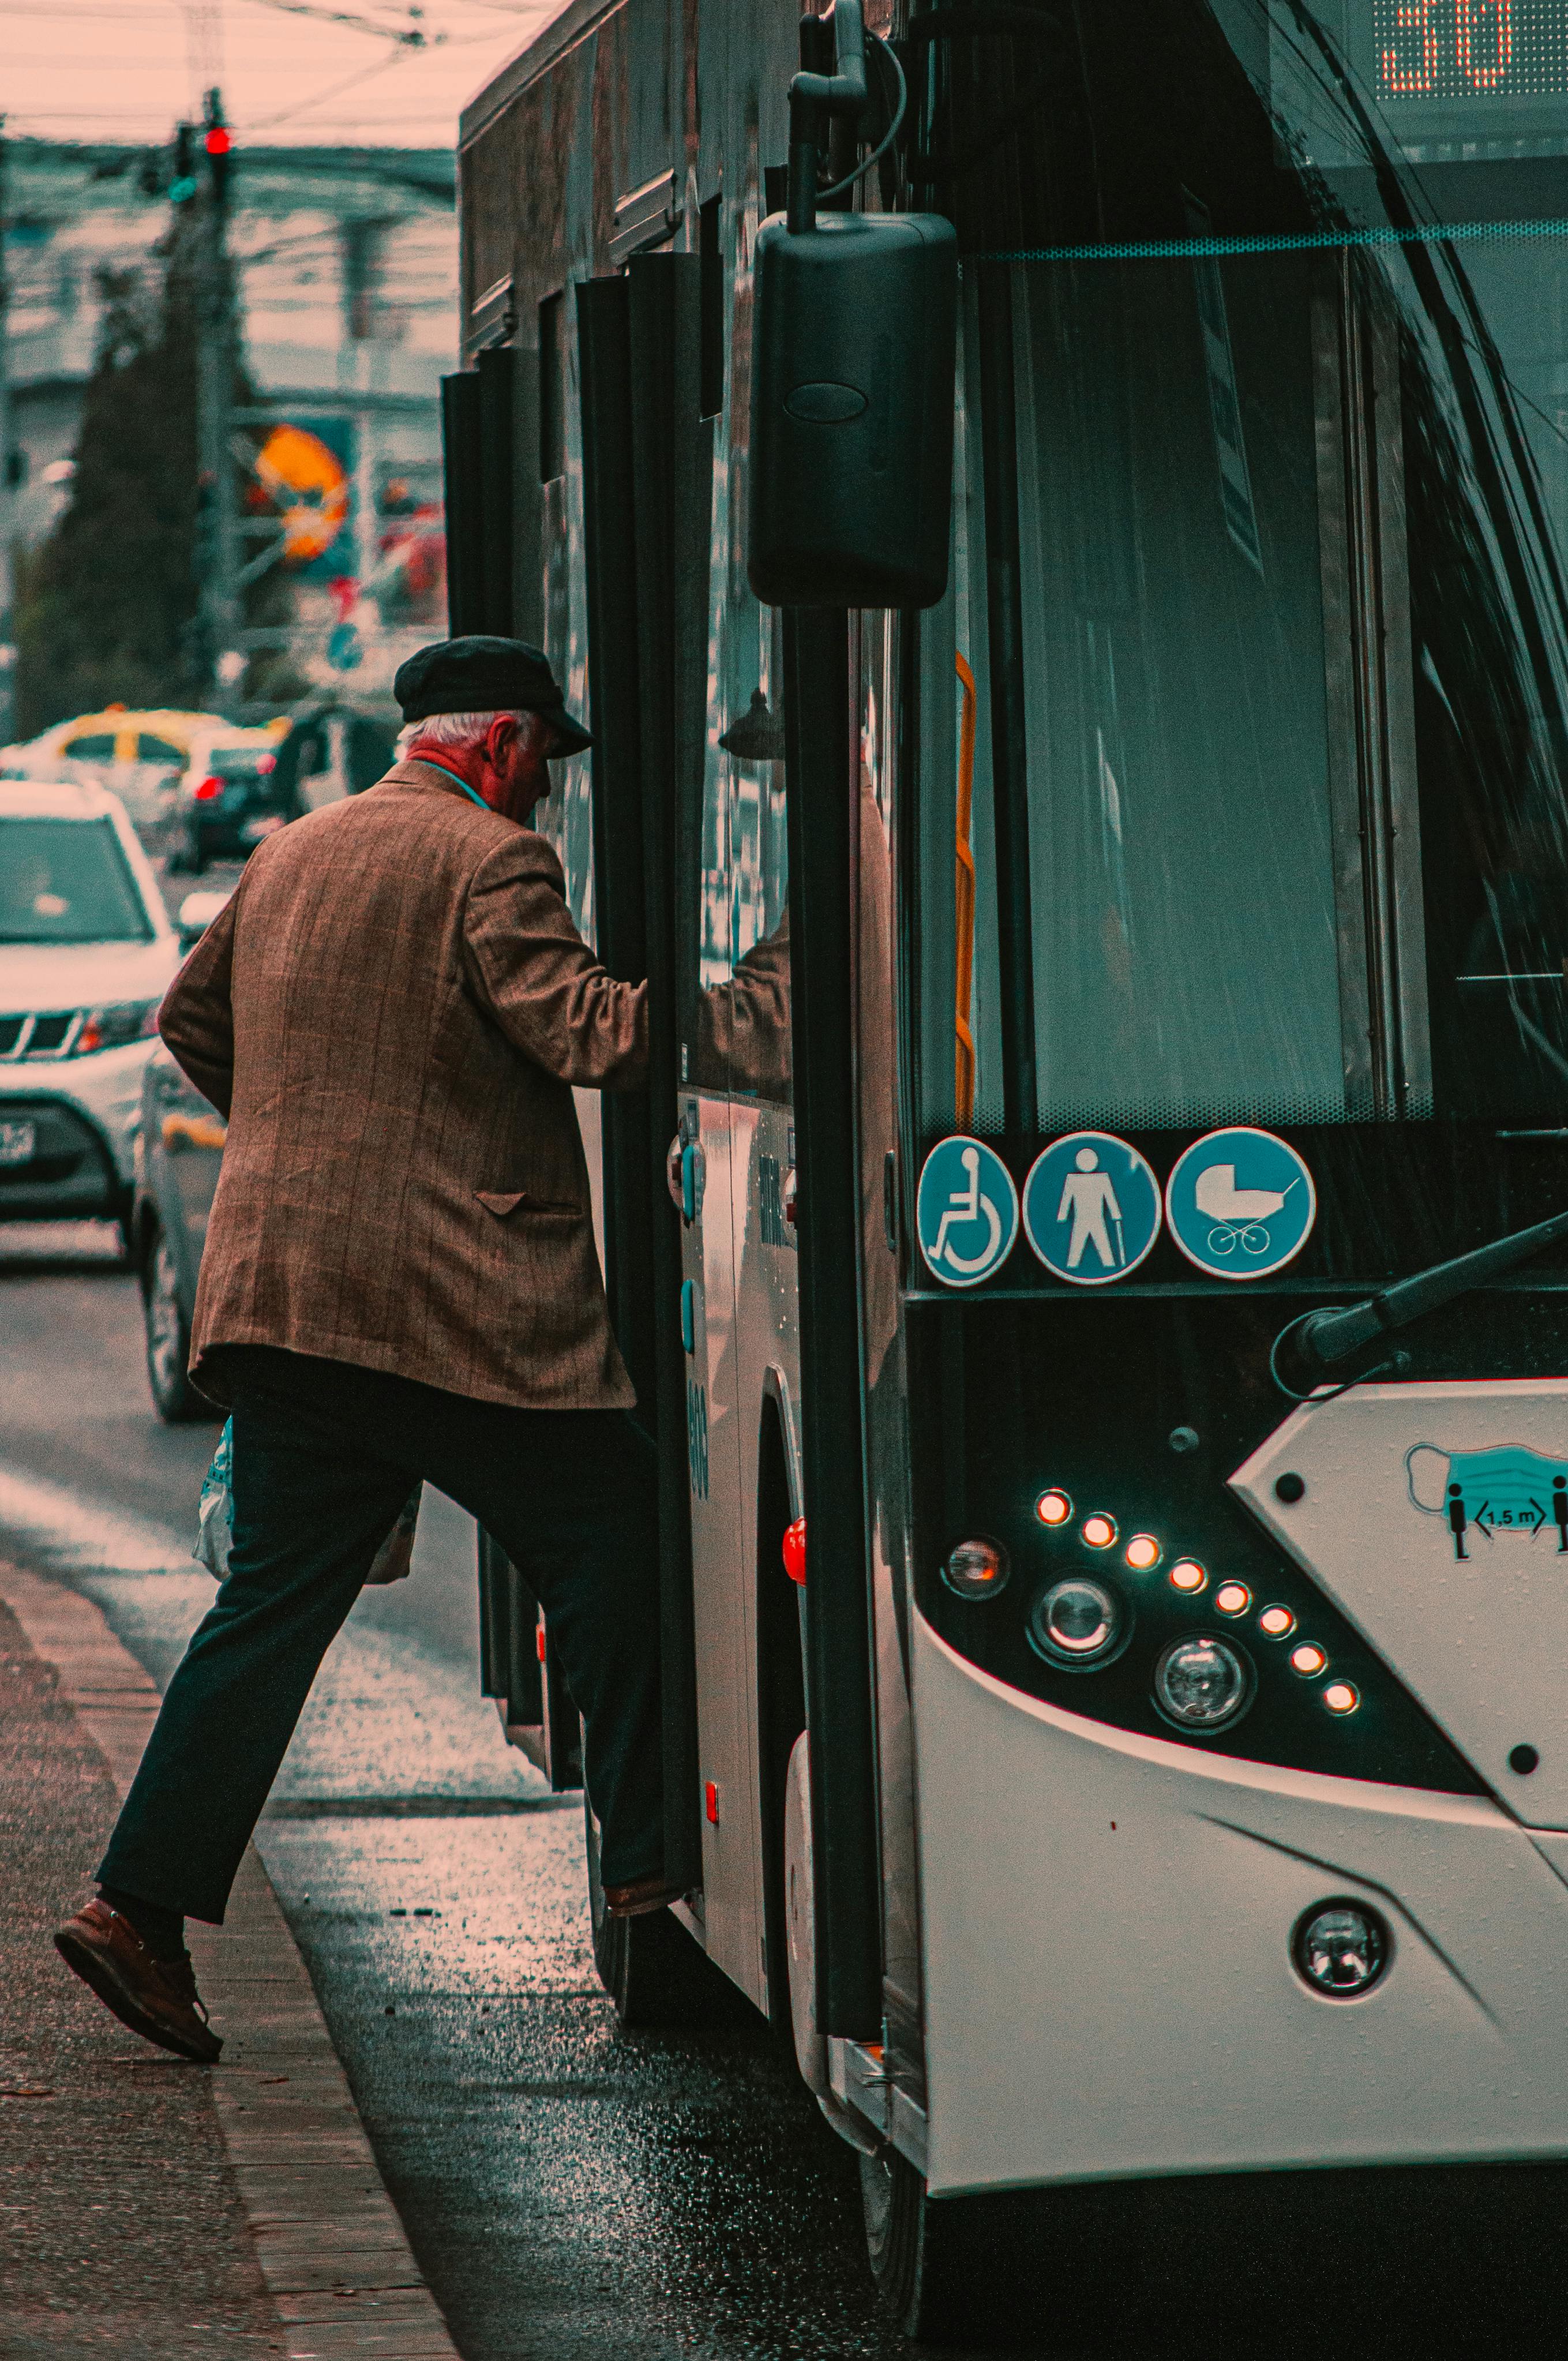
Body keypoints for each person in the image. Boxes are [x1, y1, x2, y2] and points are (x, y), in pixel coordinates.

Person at [55, 636, 675, 2066]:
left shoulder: (293, 852)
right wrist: (768, 994)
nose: (537, 800)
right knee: (612, 1546)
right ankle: (648, 1868)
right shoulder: (490, 865)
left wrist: (297, 1136)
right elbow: (588, 1034)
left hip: (286, 1300)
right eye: (539, 769)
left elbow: (185, 1021)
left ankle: (134, 1906)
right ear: (506, 749)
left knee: (265, 1617)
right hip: (454, 1308)